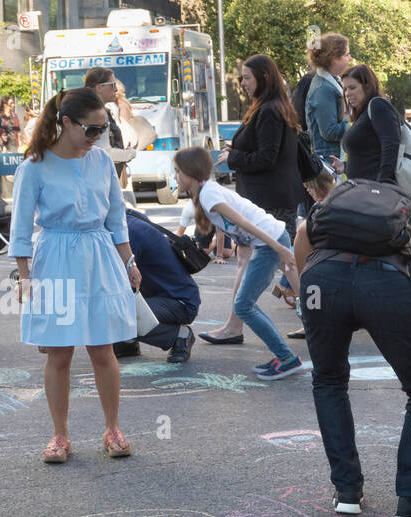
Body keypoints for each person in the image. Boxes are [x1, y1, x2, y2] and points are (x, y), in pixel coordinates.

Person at [294, 187, 411, 517]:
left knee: (329, 380)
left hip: (322, 281)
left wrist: (309, 287)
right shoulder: (401, 210)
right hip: (386, 283)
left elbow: (304, 232)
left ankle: (347, 493)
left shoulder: (339, 200)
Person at [10, 88, 138, 462]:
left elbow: (117, 217)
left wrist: (130, 263)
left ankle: (113, 428)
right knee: (59, 352)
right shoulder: (34, 165)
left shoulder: (101, 161)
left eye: (103, 129)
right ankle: (59, 435)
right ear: (66, 122)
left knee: (103, 348)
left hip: (99, 255)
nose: (97, 137)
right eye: (91, 129)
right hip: (56, 256)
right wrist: (23, 276)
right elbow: (20, 226)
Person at [172, 146, 304, 379]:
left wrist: (280, 249)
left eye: (177, 172)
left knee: (243, 305)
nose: (175, 177)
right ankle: (284, 357)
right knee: (246, 304)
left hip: (269, 242)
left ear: (189, 172)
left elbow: (244, 222)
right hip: (268, 241)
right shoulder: (206, 193)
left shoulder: (208, 195)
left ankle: (286, 359)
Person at [223, 55, 306, 328]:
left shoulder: (270, 111)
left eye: (247, 77)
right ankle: (314, 319)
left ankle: (234, 325)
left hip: (267, 200)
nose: (243, 83)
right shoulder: (272, 108)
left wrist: (233, 157)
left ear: (264, 78)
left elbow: (266, 158)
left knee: (256, 259)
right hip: (270, 198)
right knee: (280, 261)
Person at [123, 208, 198, 363]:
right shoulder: (129, 219)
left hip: (178, 302)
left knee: (118, 313)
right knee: (116, 309)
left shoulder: (129, 232)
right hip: (167, 296)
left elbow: (120, 280)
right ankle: (126, 341)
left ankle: (180, 335)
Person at [304, 32, 351, 173]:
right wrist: (355, 125)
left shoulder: (331, 82)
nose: (350, 58)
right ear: (335, 59)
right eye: (347, 54)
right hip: (330, 161)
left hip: (332, 158)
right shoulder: (323, 88)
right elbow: (329, 131)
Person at [83, 67, 135, 176]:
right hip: (96, 175)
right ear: (99, 88)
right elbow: (103, 151)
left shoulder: (90, 107)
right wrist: (130, 154)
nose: (116, 89)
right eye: (112, 85)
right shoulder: (96, 112)